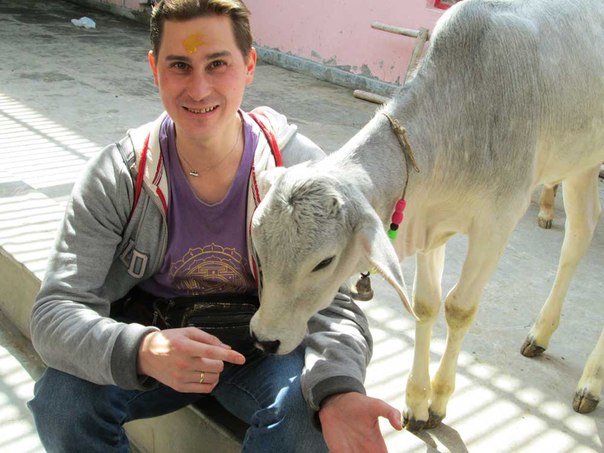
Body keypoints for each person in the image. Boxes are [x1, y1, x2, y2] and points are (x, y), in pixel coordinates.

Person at [27, 1, 403, 451]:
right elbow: (55, 310)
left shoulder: (299, 168)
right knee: (62, 404)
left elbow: (334, 303)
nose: (199, 88)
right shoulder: (119, 175)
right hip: (155, 336)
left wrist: (340, 388)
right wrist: (142, 349)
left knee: (309, 419)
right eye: (179, 65)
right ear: (155, 69)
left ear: (249, 65)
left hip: (261, 348)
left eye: (218, 64)